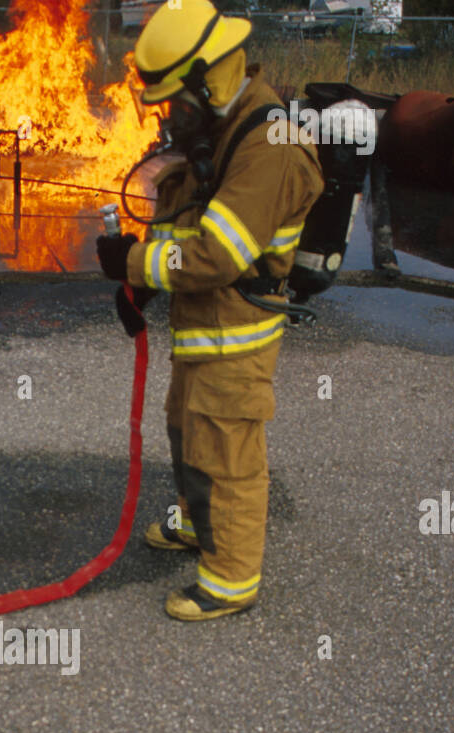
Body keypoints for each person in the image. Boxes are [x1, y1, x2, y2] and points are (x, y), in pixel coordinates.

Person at [97, 0, 324, 621]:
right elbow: (191, 227)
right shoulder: (222, 129)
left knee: (226, 449)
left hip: (239, 328)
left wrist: (136, 266)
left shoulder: (271, 144)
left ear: (205, 78)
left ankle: (231, 576)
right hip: (204, 324)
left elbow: (219, 255)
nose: (170, 115)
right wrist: (142, 273)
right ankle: (204, 526)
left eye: (176, 99)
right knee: (187, 428)